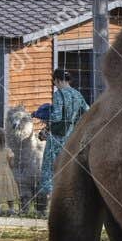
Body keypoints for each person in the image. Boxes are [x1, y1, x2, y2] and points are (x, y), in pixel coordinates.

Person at [38, 68, 88, 200]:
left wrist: (44, 116)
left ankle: (49, 200)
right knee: (67, 167)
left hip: (56, 137)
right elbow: (87, 112)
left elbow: (57, 116)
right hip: (71, 137)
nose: (55, 85)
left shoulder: (59, 94)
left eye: (54, 82)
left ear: (57, 80)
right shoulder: (78, 95)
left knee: (49, 168)